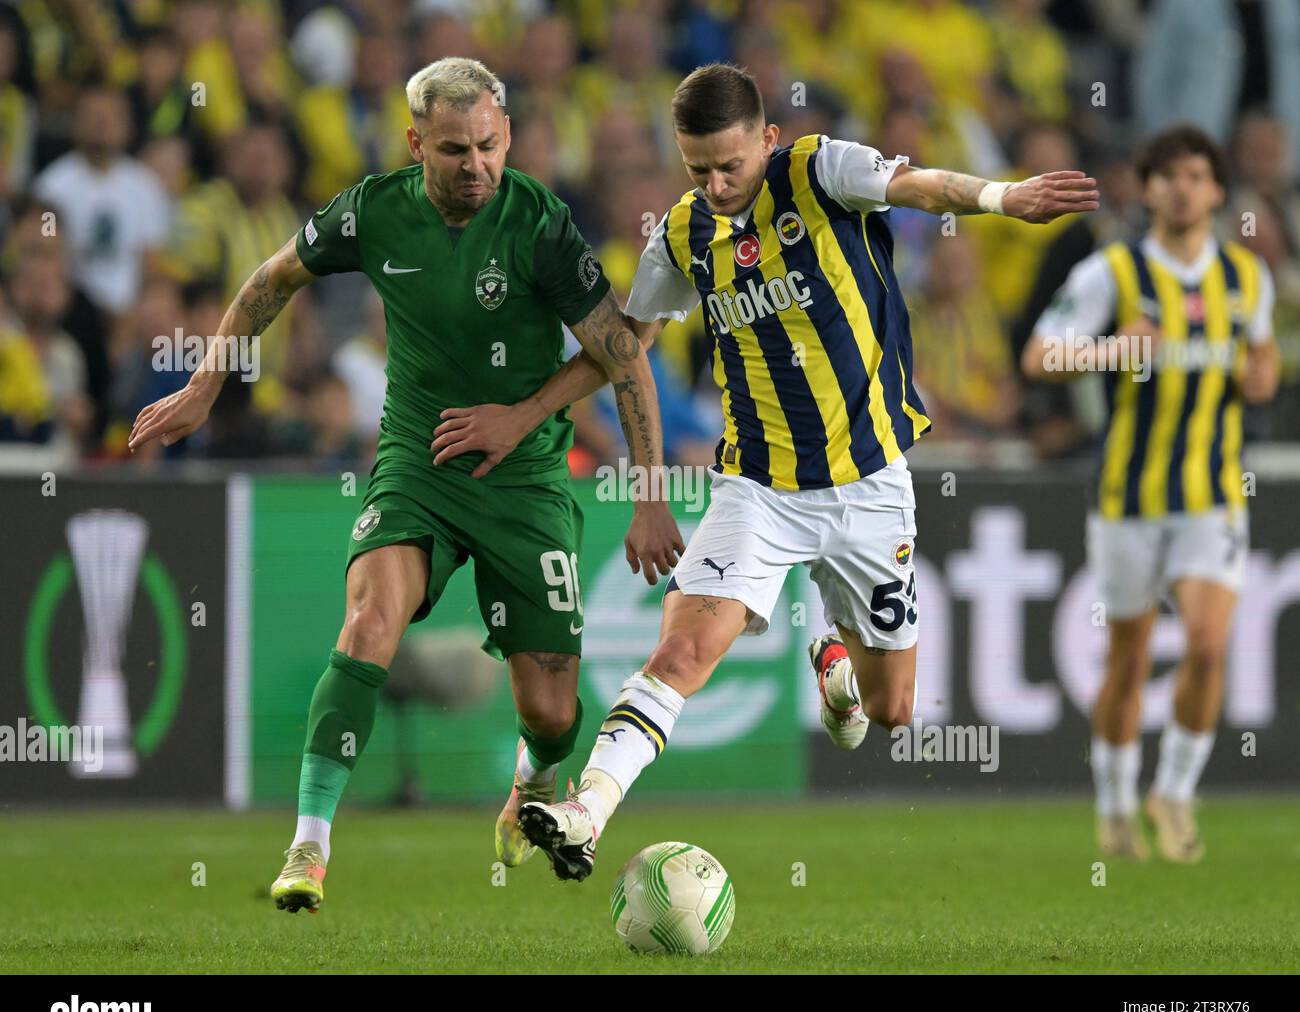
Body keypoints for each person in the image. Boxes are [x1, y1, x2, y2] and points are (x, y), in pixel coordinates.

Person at [437, 63, 1098, 881]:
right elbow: (626, 342)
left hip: (870, 484)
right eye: (697, 169)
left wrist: (1004, 198)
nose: (715, 185)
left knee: (889, 710)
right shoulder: (681, 235)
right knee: (681, 652)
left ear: (767, 140)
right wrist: (525, 413)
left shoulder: (823, 171)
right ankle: (586, 810)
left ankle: (835, 665)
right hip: (759, 487)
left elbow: (921, 185)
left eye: (730, 165)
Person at [128, 57, 682, 912]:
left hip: (525, 475)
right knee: (368, 622)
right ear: (415, 141)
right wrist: (203, 386)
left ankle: (533, 782)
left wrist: (647, 497)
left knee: (550, 708)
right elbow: (267, 281)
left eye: (492, 146)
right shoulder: (373, 211)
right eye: (456, 149)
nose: (478, 167)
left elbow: (621, 354)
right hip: (419, 461)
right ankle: (309, 846)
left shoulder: (538, 223)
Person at [1022, 125, 1280, 862]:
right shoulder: (1115, 272)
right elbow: (1038, 357)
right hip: (1128, 496)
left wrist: (1260, 372)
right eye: (1166, 176)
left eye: (1196, 175)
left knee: (1206, 644)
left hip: (1211, 493)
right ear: (1148, 189)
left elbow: (1261, 356)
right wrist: (1111, 348)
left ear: (1217, 191)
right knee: (1129, 661)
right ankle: (1112, 804)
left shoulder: (1245, 276)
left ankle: (1174, 791)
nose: (1181, 188)